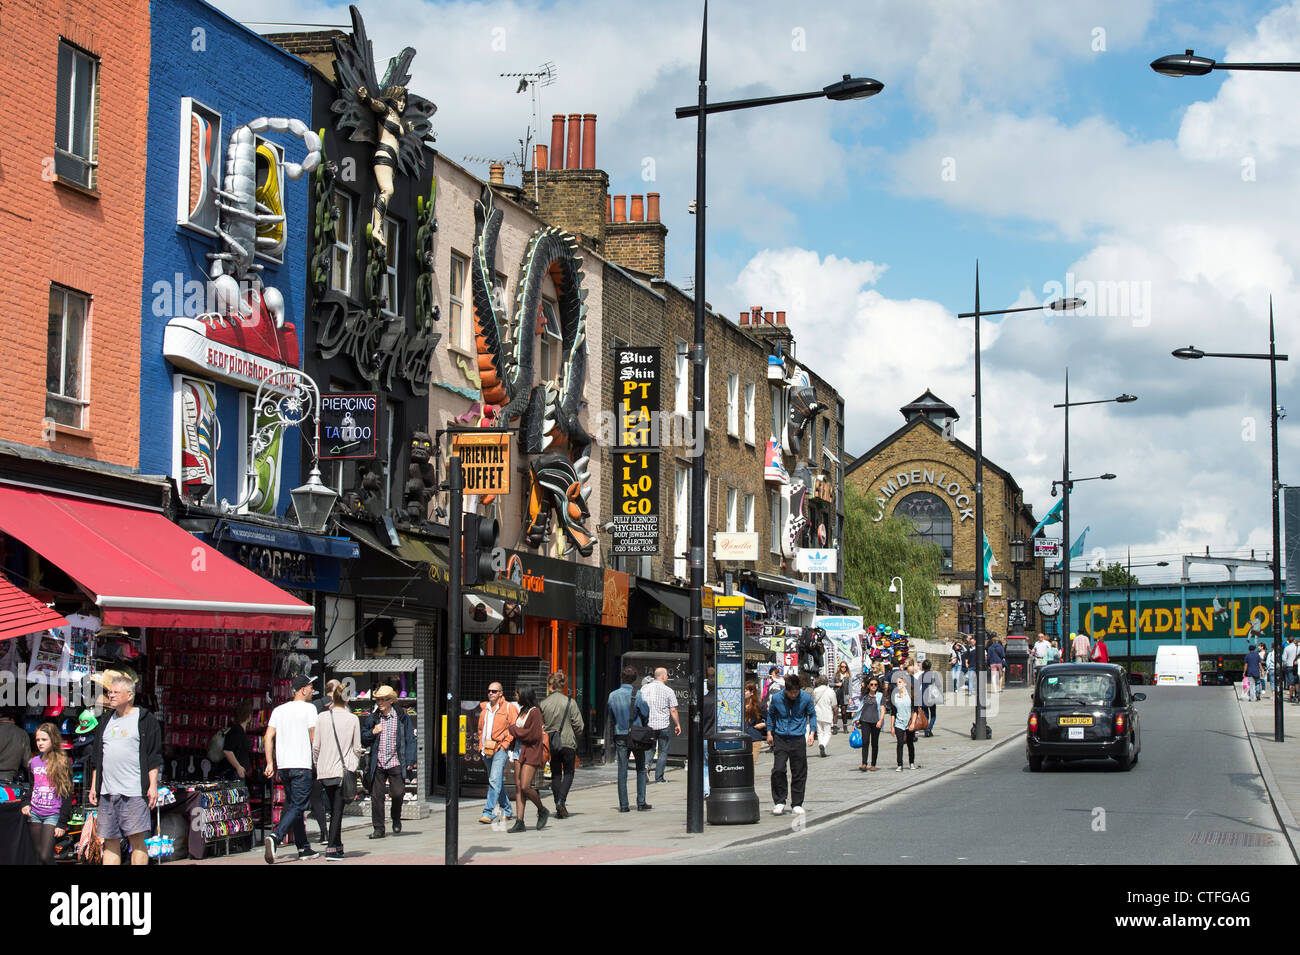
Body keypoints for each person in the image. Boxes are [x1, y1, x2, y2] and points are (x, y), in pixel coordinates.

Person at [89, 674, 162, 866]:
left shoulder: (145, 720)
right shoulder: (105, 720)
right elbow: (98, 758)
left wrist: (152, 786)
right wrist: (93, 787)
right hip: (107, 791)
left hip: (134, 791)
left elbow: (153, 757)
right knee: (109, 841)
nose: (110, 696)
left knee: (136, 840)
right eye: (109, 692)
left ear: (129, 695)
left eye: (115, 692)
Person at [263, 675, 320, 863]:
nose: (313, 690)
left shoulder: (279, 710)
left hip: (284, 766)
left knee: (295, 807)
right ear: (302, 690)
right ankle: (276, 837)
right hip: (301, 764)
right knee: (298, 806)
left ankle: (304, 847)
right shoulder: (310, 708)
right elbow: (314, 738)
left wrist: (270, 763)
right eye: (311, 687)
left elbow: (268, 736)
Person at [311, 681, 362, 860]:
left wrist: (318, 765)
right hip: (342, 770)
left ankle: (338, 845)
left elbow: (315, 747)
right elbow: (356, 748)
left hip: (325, 771)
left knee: (333, 807)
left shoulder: (322, 717)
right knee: (337, 811)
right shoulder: (353, 719)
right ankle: (332, 848)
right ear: (347, 700)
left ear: (333, 698)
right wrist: (353, 765)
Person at [361, 685, 416, 839]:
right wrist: (373, 732)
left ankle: (396, 817)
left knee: (398, 793)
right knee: (376, 797)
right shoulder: (373, 718)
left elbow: (410, 739)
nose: (380, 702)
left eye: (383, 699)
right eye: (378, 699)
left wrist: (410, 760)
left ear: (391, 700)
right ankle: (379, 829)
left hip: (396, 761)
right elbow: (363, 738)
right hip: (377, 763)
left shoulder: (401, 717)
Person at [23, 722, 73, 864]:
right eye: (38, 740)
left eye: (44, 739)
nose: (40, 743)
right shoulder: (34, 762)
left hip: (52, 814)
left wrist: (62, 823)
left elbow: (67, 793)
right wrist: (26, 803)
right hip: (35, 813)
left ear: (53, 739)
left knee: (46, 855)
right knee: (38, 855)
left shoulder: (62, 762)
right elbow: (32, 787)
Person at [766, 675, 816, 816]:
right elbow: (771, 715)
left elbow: (812, 715)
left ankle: (797, 803)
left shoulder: (805, 698)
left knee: (799, 771)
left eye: (796, 692)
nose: (794, 695)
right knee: (778, 769)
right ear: (786, 690)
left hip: (798, 738)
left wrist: (812, 732)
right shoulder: (776, 698)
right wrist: (769, 733)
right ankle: (779, 801)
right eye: (791, 692)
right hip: (780, 737)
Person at [540, 671, 585, 818]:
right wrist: (575, 737)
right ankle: (561, 800)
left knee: (555, 774)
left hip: (551, 743)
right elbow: (579, 725)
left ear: (550, 685)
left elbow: (540, 725)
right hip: (567, 742)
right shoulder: (570, 702)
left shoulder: (543, 703)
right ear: (562, 686)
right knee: (569, 772)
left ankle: (558, 802)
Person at [504, 686, 548, 831]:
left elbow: (532, 735)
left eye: (517, 694)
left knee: (525, 786)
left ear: (524, 695)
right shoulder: (522, 711)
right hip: (518, 751)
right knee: (518, 787)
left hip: (530, 752)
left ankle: (541, 809)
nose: (515, 696)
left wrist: (513, 729)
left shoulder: (535, 712)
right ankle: (520, 821)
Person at [607, 666, 650, 812]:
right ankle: (641, 801)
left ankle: (624, 805)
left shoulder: (612, 695)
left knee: (622, 770)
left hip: (620, 734)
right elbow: (645, 712)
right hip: (636, 735)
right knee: (640, 768)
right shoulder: (637, 695)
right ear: (634, 679)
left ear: (621, 677)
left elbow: (611, 716)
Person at [478, 681, 518, 824]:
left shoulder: (509, 708)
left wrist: (505, 744)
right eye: (489, 691)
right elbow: (481, 729)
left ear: (501, 693)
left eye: (494, 691)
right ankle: (507, 809)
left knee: (494, 780)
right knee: (496, 781)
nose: (490, 693)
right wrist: (480, 745)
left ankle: (488, 812)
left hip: (500, 749)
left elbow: (514, 728)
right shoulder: (485, 709)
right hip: (486, 750)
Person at [640, 667, 681, 784]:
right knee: (663, 751)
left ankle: (646, 767)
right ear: (663, 676)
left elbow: (640, 705)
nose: (667, 677)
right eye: (667, 675)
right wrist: (678, 724)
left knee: (649, 749)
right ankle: (659, 778)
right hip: (663, 725)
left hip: (649, 725)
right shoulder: (668, 691)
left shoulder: (644, 688)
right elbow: (673, 710)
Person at [217, 698, 255, 782]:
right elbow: (227, 750)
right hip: (235, 774)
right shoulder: (237, 730)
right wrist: (238, 767)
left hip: (238, 773)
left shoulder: (238, 730)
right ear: (248, 716)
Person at [889, 675, 918, 772]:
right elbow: (893, 713)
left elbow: (915, 711)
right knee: (900, 743)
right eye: (897, 682)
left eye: (900, 682)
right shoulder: (895, 696)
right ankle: (899, 764)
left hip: (909, 722)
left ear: (905, 683)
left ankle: (911, 762)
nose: (898, 684)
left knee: (910, 743)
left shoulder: (911, 695)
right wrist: (892, 726)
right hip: (899, 723)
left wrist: (913, 723)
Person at [855, 677, 884, 771]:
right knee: (865, 742)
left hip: (876, 722)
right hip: (865, 721)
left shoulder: (880, 696)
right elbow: (860, 708)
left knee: (874, 743)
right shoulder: (864, 696)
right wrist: (856, 720)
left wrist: (880, 720)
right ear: (868, 685)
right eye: (871, 684)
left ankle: (873, 764)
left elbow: (883, 710)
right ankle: (864, 763)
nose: (873, 686)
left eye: (875, 684)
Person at [812, 675, 837, 758]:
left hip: (817, 713)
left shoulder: (815, 690)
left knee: (820, 732)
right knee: (827, 732)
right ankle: (823, 744)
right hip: (827, 713)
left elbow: (813, 702)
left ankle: (822, 747)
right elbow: (834, 704)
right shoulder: (830, 691)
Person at [743, 682, 768, 764]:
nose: (743, 692)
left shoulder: (759, 706)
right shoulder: (738, 705)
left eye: (745, 691)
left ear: (752, 692)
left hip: (754, 738)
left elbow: (771, 720)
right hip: (741, 739)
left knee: (751, 765)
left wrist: (763, 724)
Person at [918, 659, 940, 735]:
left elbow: (918, 686)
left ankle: (926, 729)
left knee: (925, 715)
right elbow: (938, 685)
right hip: (931, 697)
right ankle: (928, 729)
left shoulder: (921, 676)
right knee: (933, 715)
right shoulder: (934, 674)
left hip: (923, 697)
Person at [833, 661, 852, 733]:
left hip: (845, 695)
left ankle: (845, 726)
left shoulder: (848, 676)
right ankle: (835, 726)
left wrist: (850, 697)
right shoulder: (836, 674)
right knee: (835, 711)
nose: (843, 668)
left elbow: (850, 687)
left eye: (845, 667)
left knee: (844, 711)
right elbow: (830, 683)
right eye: (842, 666)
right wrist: (836, 684)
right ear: (840, 667)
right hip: (837, 694)